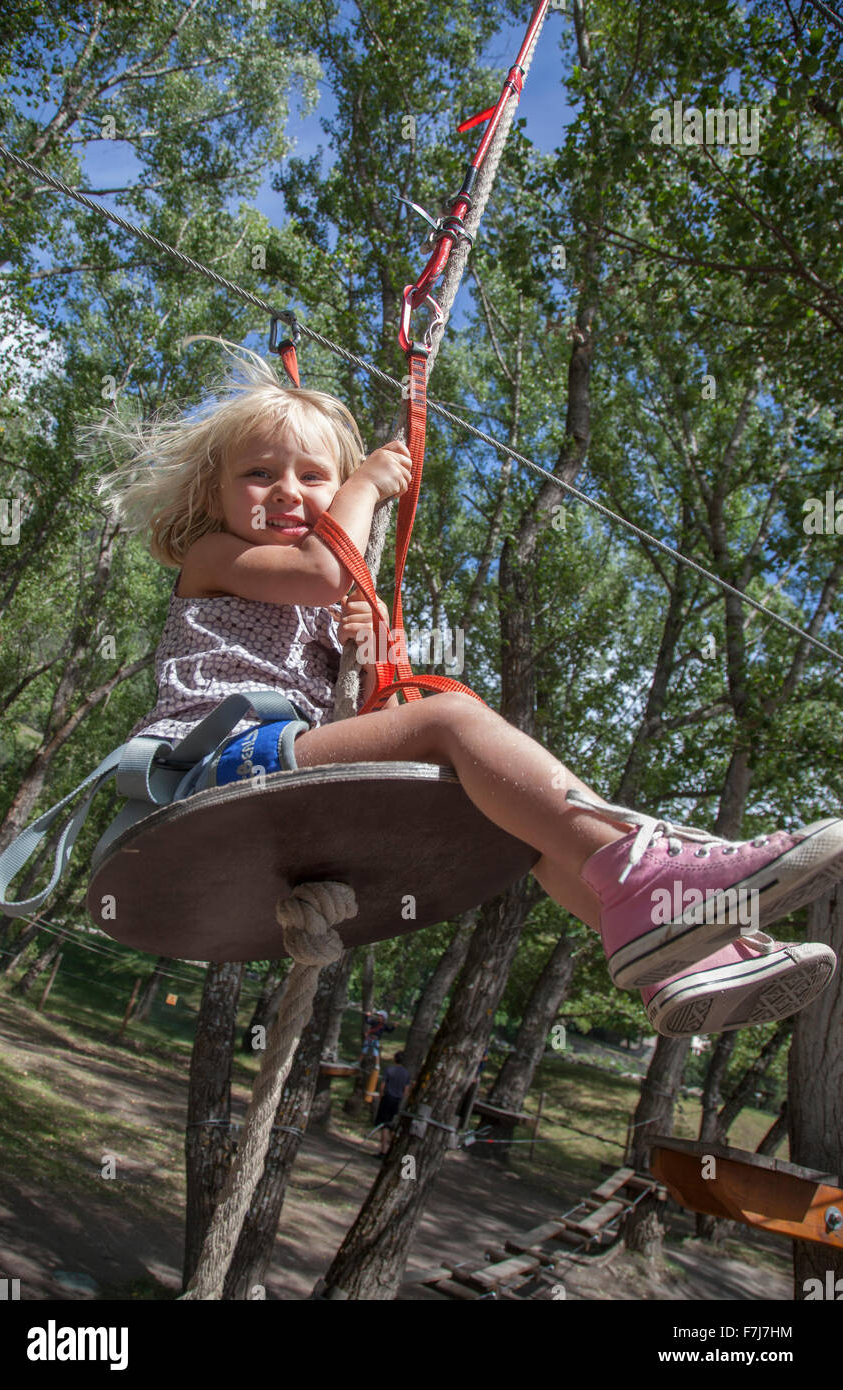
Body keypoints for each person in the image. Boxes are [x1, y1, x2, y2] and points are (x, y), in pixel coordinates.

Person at [99, 341, 843, 1039]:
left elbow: (384, 728)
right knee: (455, 720)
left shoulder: (328, 605)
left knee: (515, 818)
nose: (287, 492)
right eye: (260, 474)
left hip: (278, 762)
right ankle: (641, 871)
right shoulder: (217, 555)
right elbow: (326, 572)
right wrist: (360, 489)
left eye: (313, 476)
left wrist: (373, 650)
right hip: (213, 761)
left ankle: (675, 954)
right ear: (218, 492)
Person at [374, 1052, 412, 1154]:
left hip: (387, 1099)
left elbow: (383, 1085)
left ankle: (383, 1150)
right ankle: (393, 1151)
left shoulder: (389, 1070)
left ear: (394, 1059)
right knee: (392, 1125)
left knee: (385, 1125)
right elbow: (406, 1090)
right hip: (397, 1101)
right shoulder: (406, 1073)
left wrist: (381, 1094)